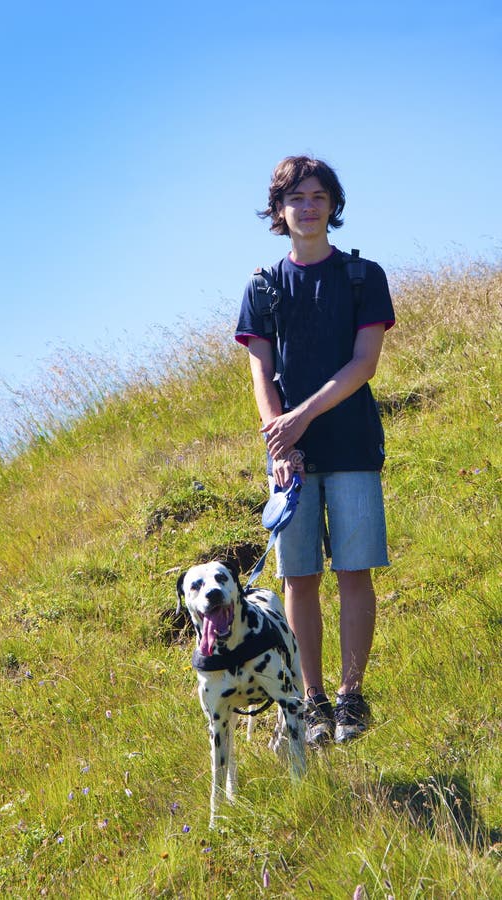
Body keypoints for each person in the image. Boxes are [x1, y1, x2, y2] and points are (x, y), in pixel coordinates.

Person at [235, 156, 395, 745]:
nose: (307, 207)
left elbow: (364, 363)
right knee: (298, 578)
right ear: (279, 211)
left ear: (333, 205)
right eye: (295, 198)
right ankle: (312, 702)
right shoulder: (262, 286)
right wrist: (280, 441)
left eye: (318, 196)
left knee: (354, 572)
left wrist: (300, 418)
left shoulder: (362, 276)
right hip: (289, 458)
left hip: (352, 446)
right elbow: (261, 372)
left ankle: (352, 700)